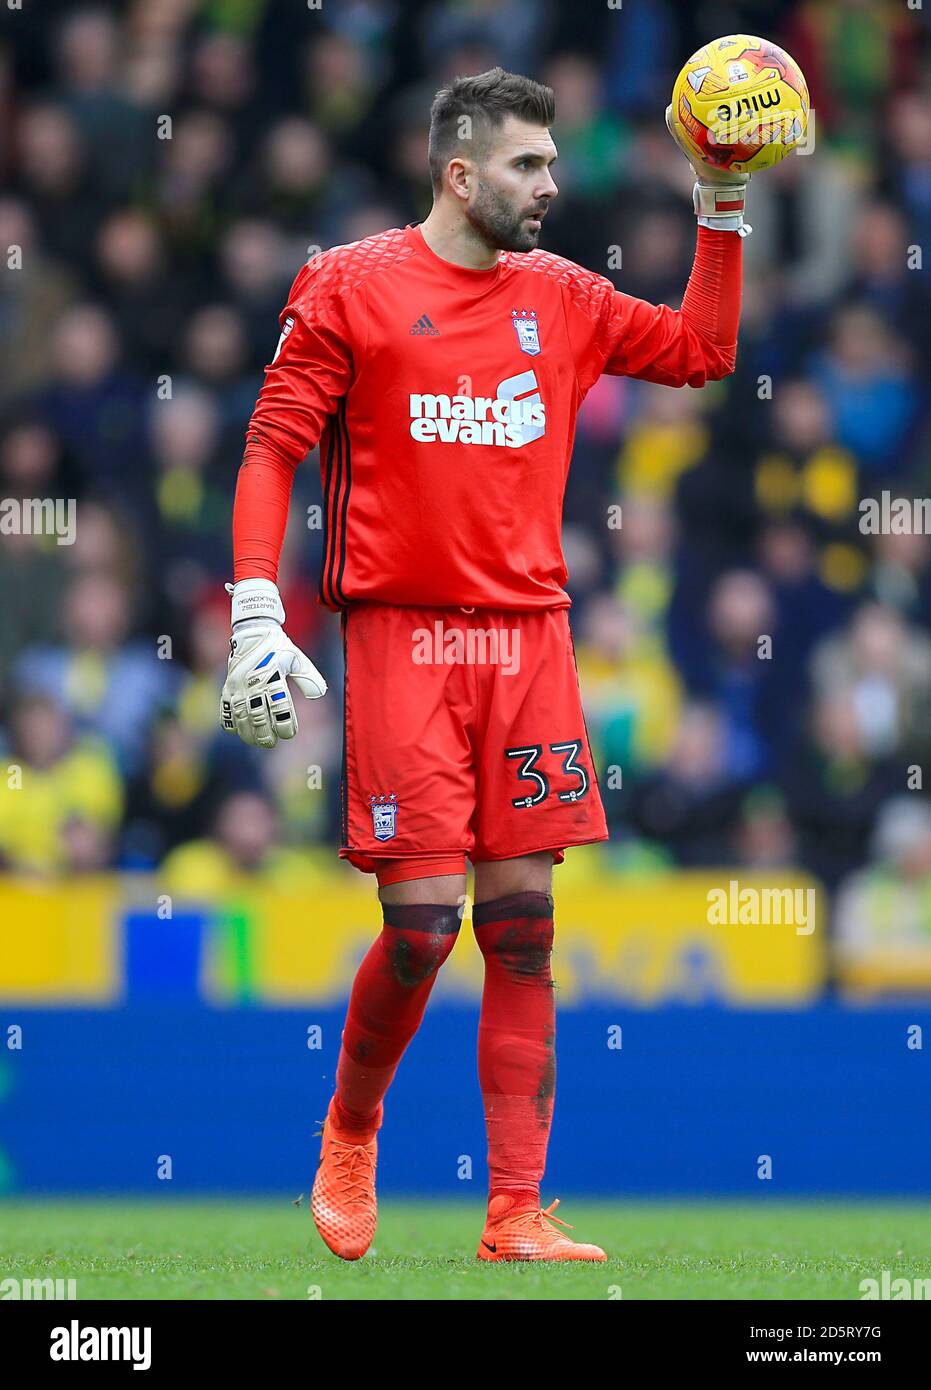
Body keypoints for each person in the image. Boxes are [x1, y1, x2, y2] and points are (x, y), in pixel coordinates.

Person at [220, 67, 744, 1262]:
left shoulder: (559, 296)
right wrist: (257, 605)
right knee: (420, 930)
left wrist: (719, 208)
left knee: (523, 928)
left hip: (529, 641)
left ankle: (514, 1209)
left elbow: (705, 350)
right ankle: (351, 1131)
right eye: (527, 164)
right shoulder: (350, 286)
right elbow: (270, 447)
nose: (551, 183)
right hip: (403, 636)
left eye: (551, 162)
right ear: (460, 174)